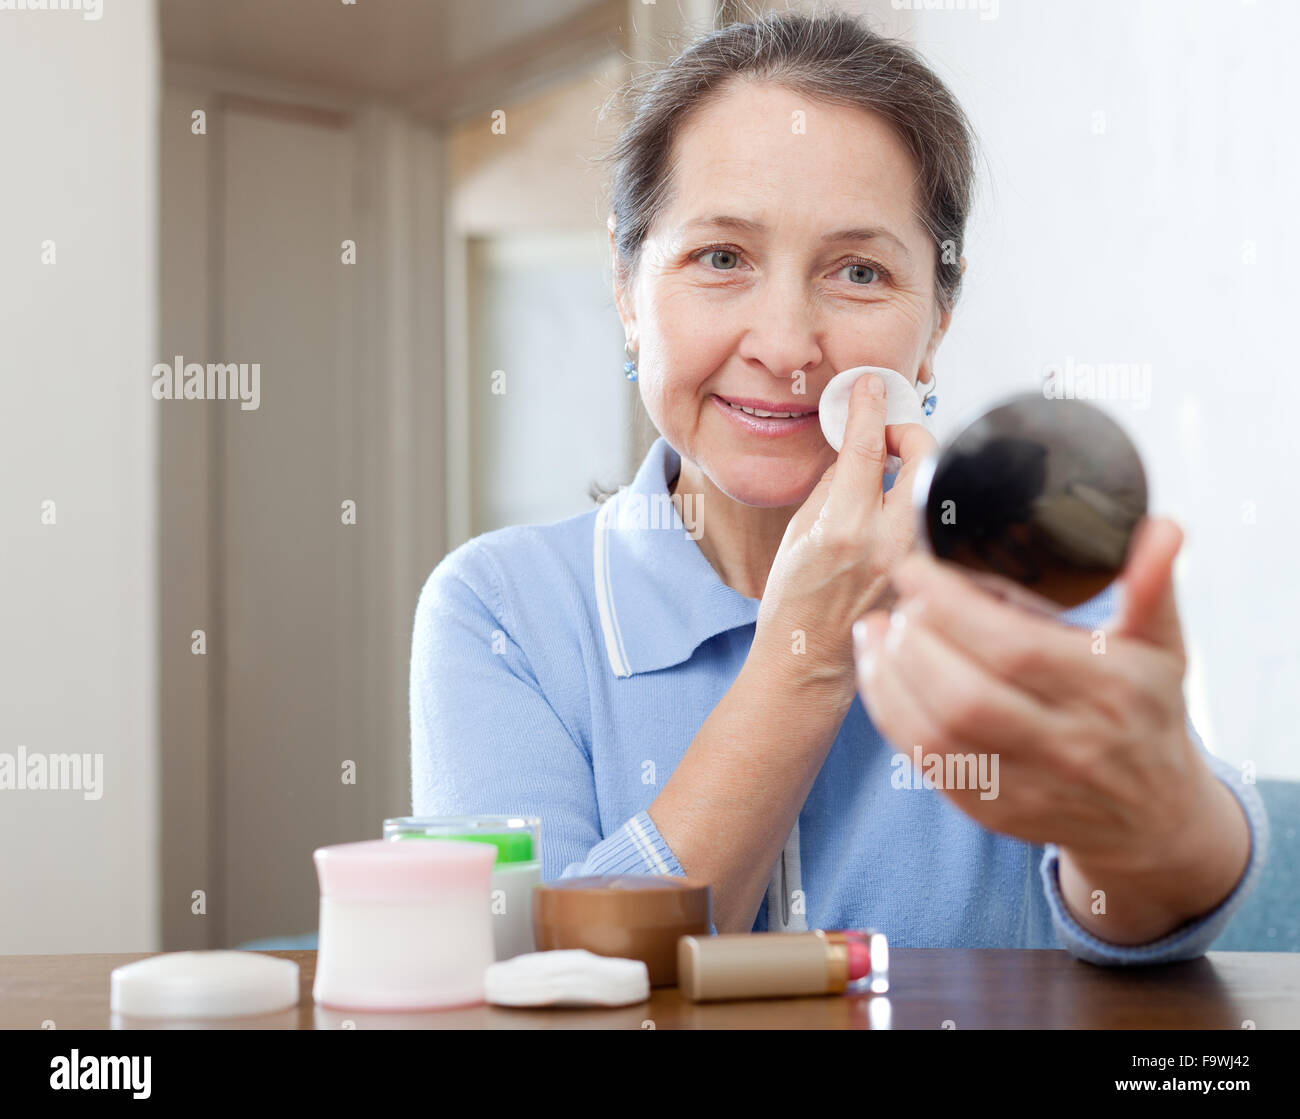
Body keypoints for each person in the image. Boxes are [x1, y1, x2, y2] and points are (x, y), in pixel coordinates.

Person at [410, 10, 1266, 963]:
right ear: (625, 283)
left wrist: (1147, 822)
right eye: (721, 257)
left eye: (858, 272)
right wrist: (806, 656)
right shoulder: (498, 612)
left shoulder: (1027, 567)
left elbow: (1155, 902)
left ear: (937, 316)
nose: (783, 345)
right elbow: (543, 991)